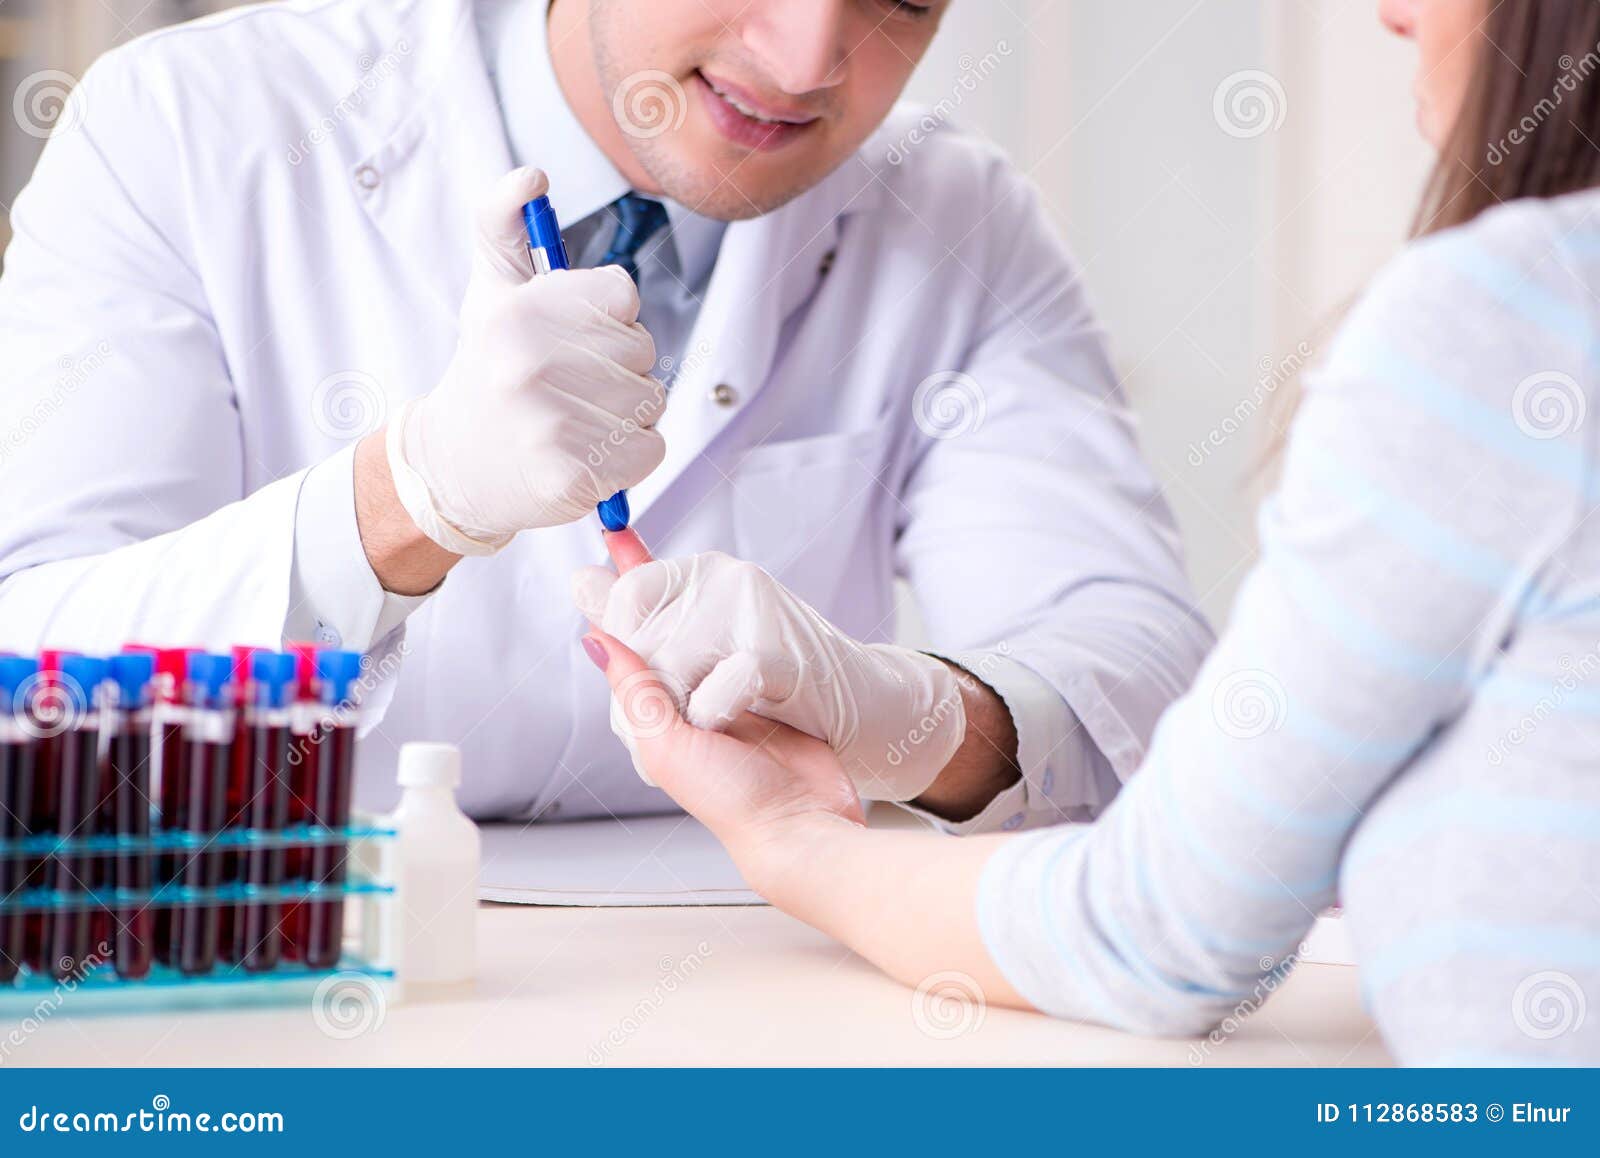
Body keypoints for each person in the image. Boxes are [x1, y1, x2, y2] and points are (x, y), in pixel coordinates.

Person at [578, 0, 1600, 1065]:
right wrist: (439, 513)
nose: (806, 60)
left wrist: (906, 727)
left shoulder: (1510, 323)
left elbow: (1165, 882)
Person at [0, 0, 1211, 827]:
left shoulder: (954, 214)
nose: (806, 58)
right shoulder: (186, 126)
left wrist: (919, 718)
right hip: (295, 988)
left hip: (755, 997)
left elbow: (1141, 676)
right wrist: (404, 499)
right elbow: (31, 671)